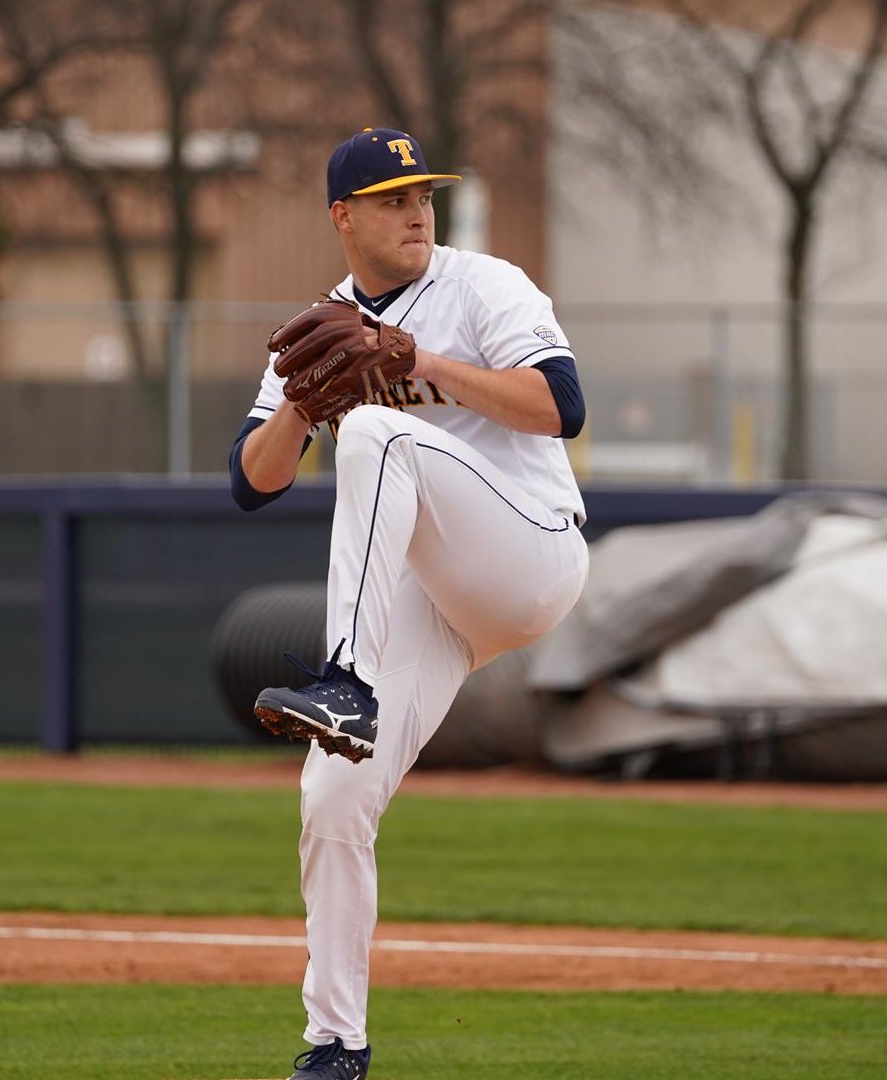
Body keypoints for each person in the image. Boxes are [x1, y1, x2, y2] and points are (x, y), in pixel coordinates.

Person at [230, 128, 589, 1079]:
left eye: (422, 193)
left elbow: (563, 405)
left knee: (380, 432)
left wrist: (417, 358)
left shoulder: (486, 282)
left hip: (532, 552)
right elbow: (252, 481)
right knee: (333, 794)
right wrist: (306, 404)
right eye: (392, 197)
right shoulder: (321, 323)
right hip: (437, 598)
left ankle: (345, 678)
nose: (416, 210)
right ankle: (335, 1047)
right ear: (342, 216)